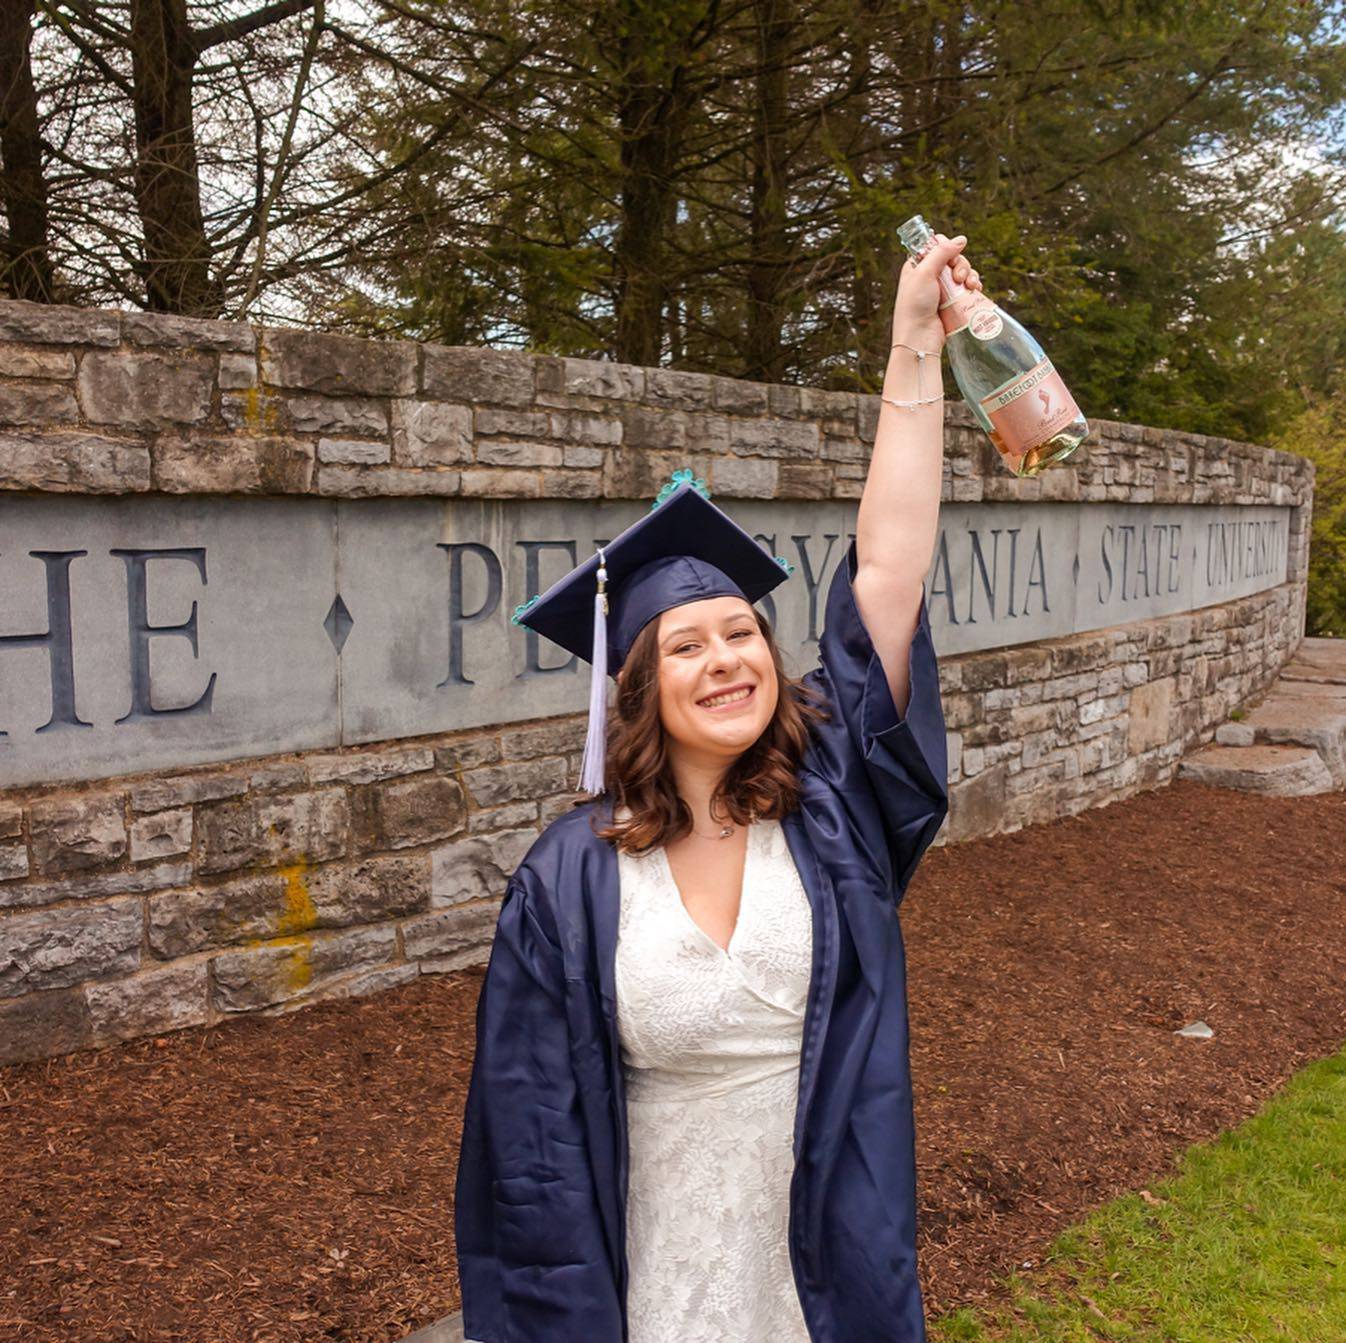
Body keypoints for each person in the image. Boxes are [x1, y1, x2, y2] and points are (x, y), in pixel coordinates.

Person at [454, 233, 983, 1342]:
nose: (725, 658)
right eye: (684, 645)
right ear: (640, 686)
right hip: (652, 1275)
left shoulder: (832, 808)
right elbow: (530, 1137)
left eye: (739, 630)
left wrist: (910, 352)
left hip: (826, 1260)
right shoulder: (567, 878)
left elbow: (886, 568)